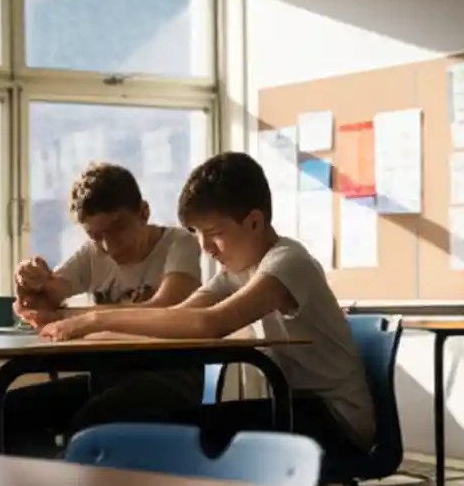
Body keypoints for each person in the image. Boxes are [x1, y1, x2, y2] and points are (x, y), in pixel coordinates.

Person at [39, 152, 374, 459]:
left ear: (254, 222)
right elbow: (176, 315)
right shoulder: (238, 272)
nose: (206, 248)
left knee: (177, 436)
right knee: (164, 427)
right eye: (197, 234)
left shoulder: (288, 262)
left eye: (213, 233)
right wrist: (79, 321)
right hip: (294, 407)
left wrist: (95, 319)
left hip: (335, 420)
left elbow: (211, 323)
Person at [0, 162, 203, 457]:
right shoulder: (93, 253)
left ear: (144, 212)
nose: (109, 245)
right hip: (109, 377)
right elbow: (46, 299)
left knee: (92, 421)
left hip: (170, 377)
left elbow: (166, 307)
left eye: (118, 228)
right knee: (0, 412)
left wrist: (86, 319)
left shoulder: (179, 243)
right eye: (96, 235)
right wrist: (29, 283)